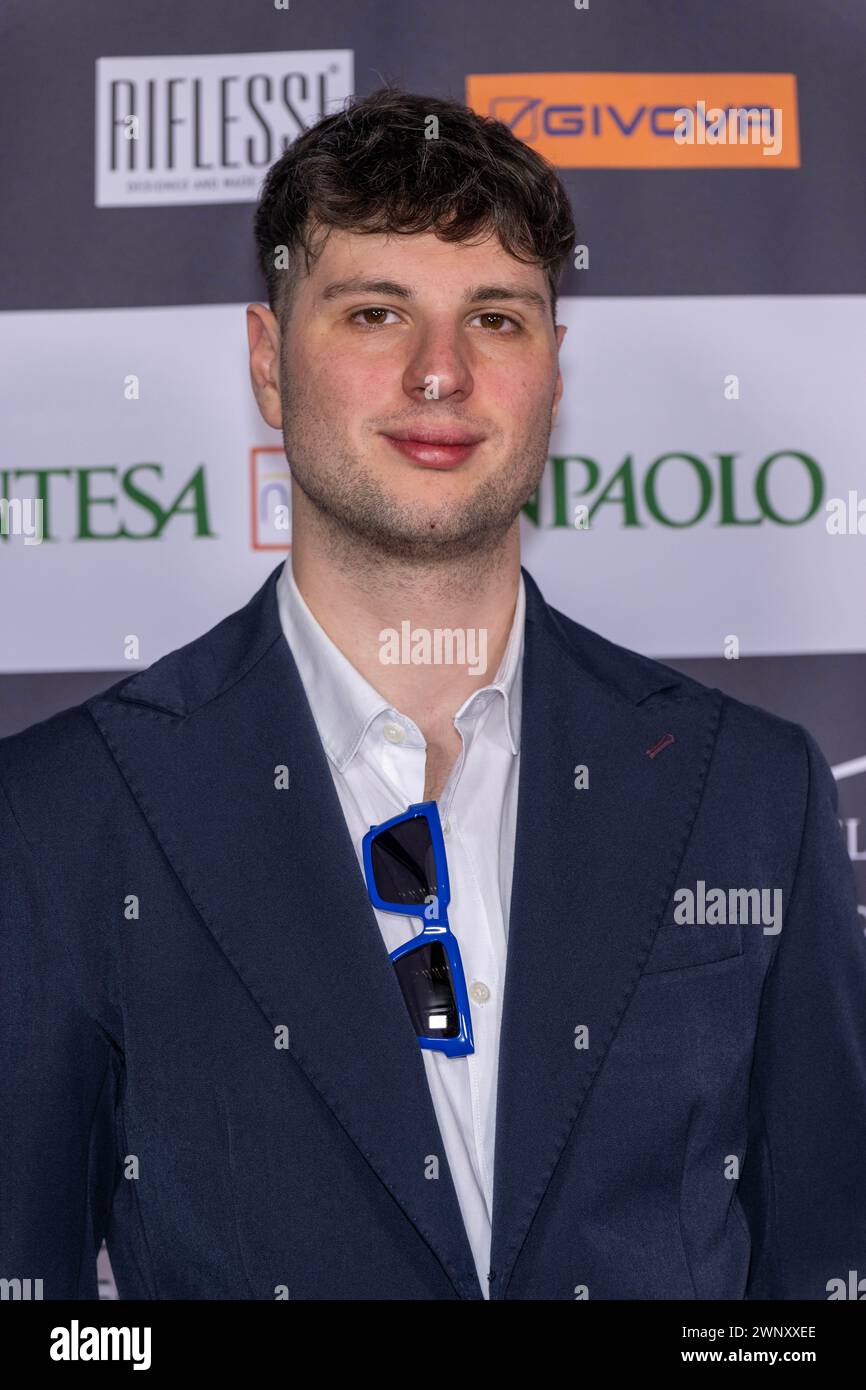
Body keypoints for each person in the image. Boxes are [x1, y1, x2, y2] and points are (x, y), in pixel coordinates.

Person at [1, 86, 864, 1302]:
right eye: (373, 312)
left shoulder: (749, 791)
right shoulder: (61, 817)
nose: (439, 374)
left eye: (496, 319)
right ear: (266, 357)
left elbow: (825, 1271)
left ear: (552, 367)